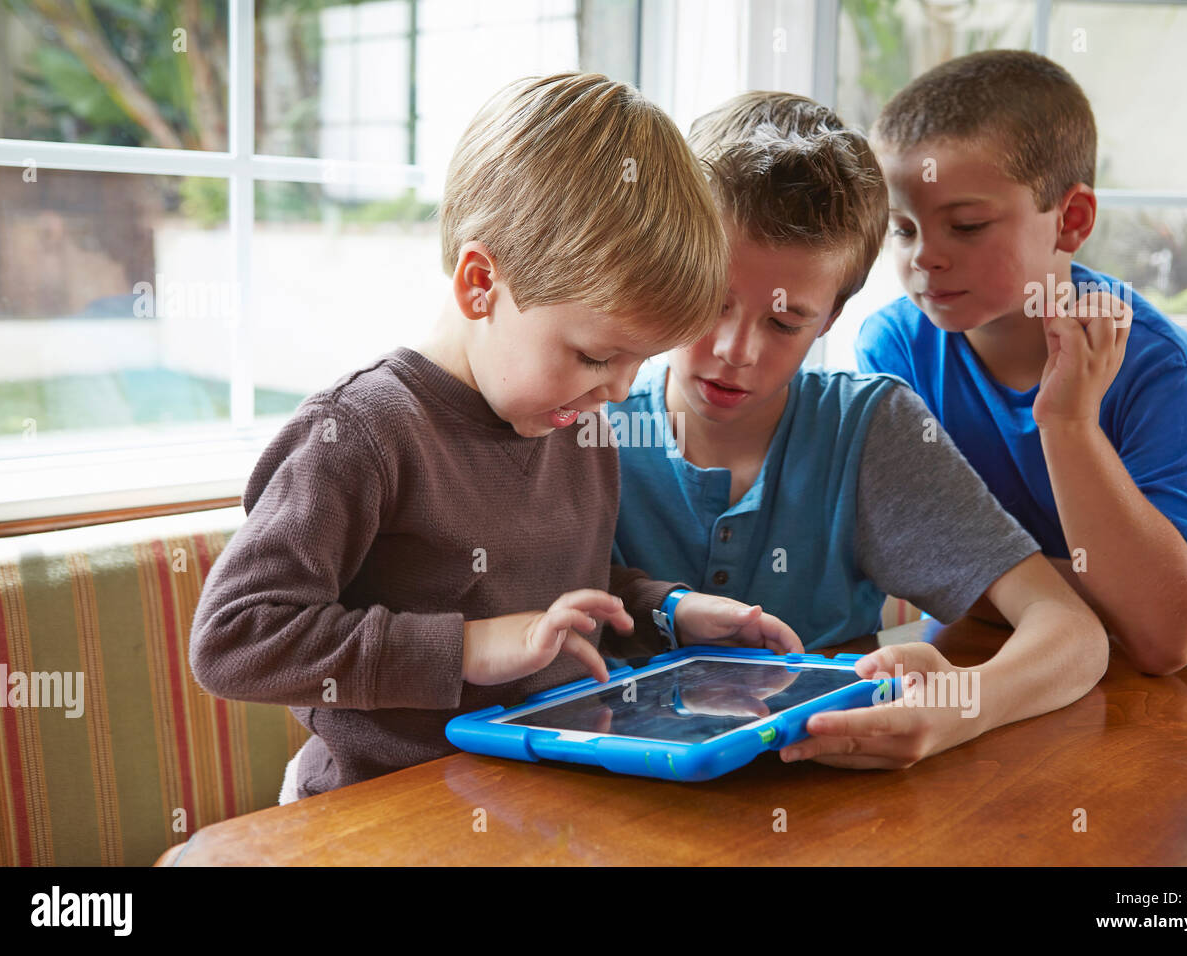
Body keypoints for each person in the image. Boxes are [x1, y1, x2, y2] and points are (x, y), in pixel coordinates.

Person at [189, 73, 802, 802]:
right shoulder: (357, 435)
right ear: (480, 283)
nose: (617, 388)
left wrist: (668, 613)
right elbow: (235, 638)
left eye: (642, 361)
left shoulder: (576, 421)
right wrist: (467, 650)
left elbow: (565, 599)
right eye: (598, 356)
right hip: (380, 808)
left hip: (547, 795)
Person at [609, 91, 1108, 770]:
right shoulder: (584, 421)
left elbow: (1073, 633)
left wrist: (960, 708)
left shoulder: (868, 431)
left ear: (830, 321)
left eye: (785, 323)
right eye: (709, 299)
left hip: (834, 807)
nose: (736, 350)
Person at [856, 49, 1187, 673]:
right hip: (973, 674)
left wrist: (1070, 423)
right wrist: (1164, 598)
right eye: (903, 228)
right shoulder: (893, 349)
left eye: (967, 225)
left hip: (1139, 712)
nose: (926, 257)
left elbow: (1162, 644)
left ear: (1071, 220)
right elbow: (917, 569)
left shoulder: (1168, 373)